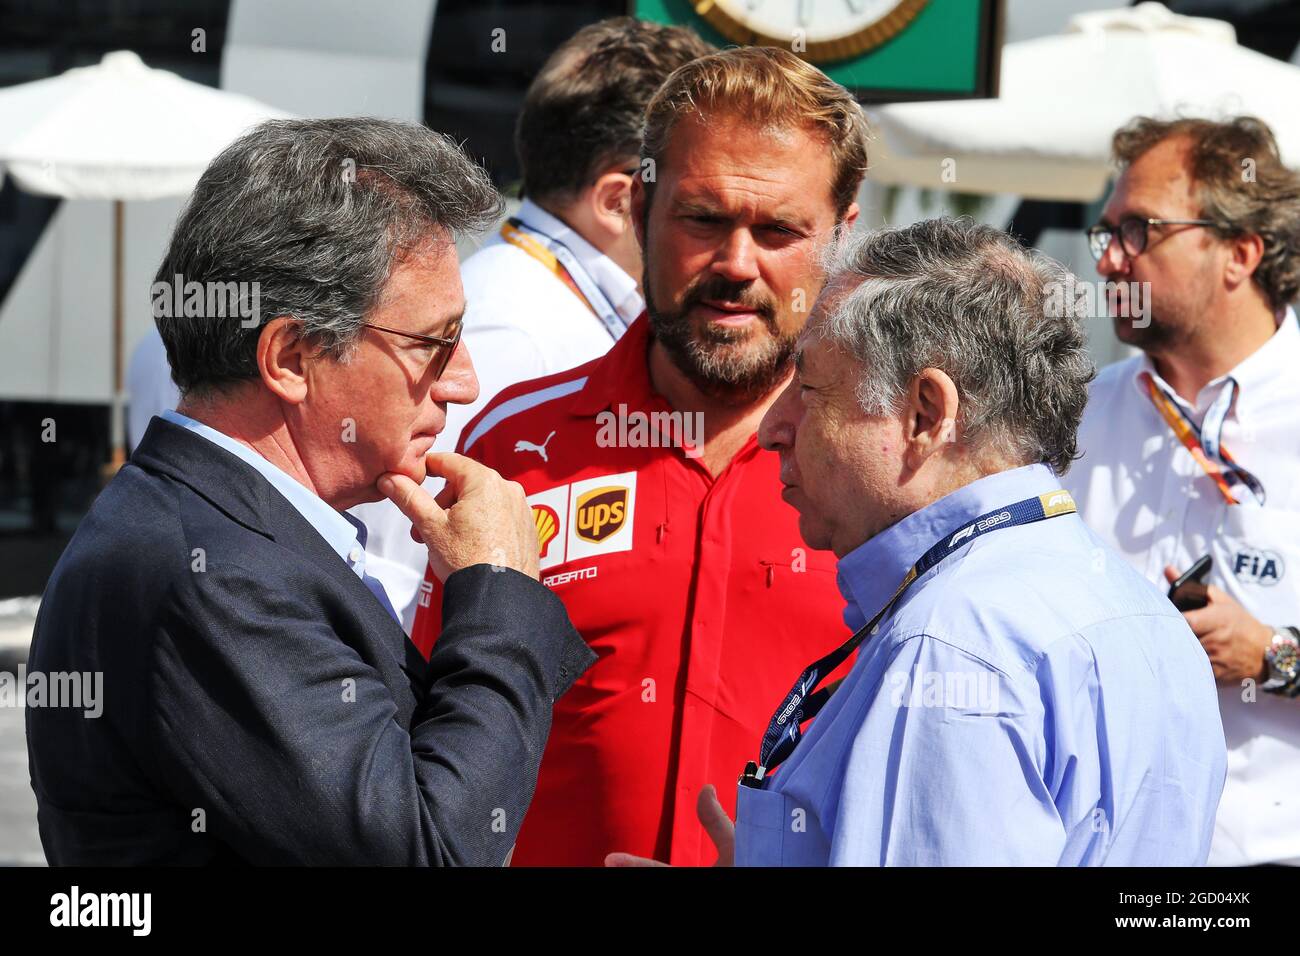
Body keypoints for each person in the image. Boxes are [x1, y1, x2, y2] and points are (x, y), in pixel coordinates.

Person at [26, 117, 595, 865]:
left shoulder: (216, 532)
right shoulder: (217, 576)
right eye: (435, 343)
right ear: (291, 358)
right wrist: (499, 591)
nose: (464, 382)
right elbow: (432, 852)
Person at [614, 218, 1228, 867]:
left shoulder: (950, 641)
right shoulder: (1138, 610)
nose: (773, 428)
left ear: (927, 414)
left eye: (810, 389)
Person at [412, 46, 869, 866]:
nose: (736, 263)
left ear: (841, 236)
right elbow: (425, 722)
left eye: (778, 230)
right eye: (703, 218)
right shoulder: (516, 448)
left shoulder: (893, 475)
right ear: (641, 206)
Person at [349, 18, 713, 628]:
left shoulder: (527, 303)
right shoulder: (514, 329)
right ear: (621, 201)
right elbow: (398, 560)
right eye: (701, 206)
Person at [1064, 116, 1300, 866]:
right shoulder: (1073, 418)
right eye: (1107, 234)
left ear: (1240, 252)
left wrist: (1272, 657)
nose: (1109, 263)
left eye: (1139, 231)